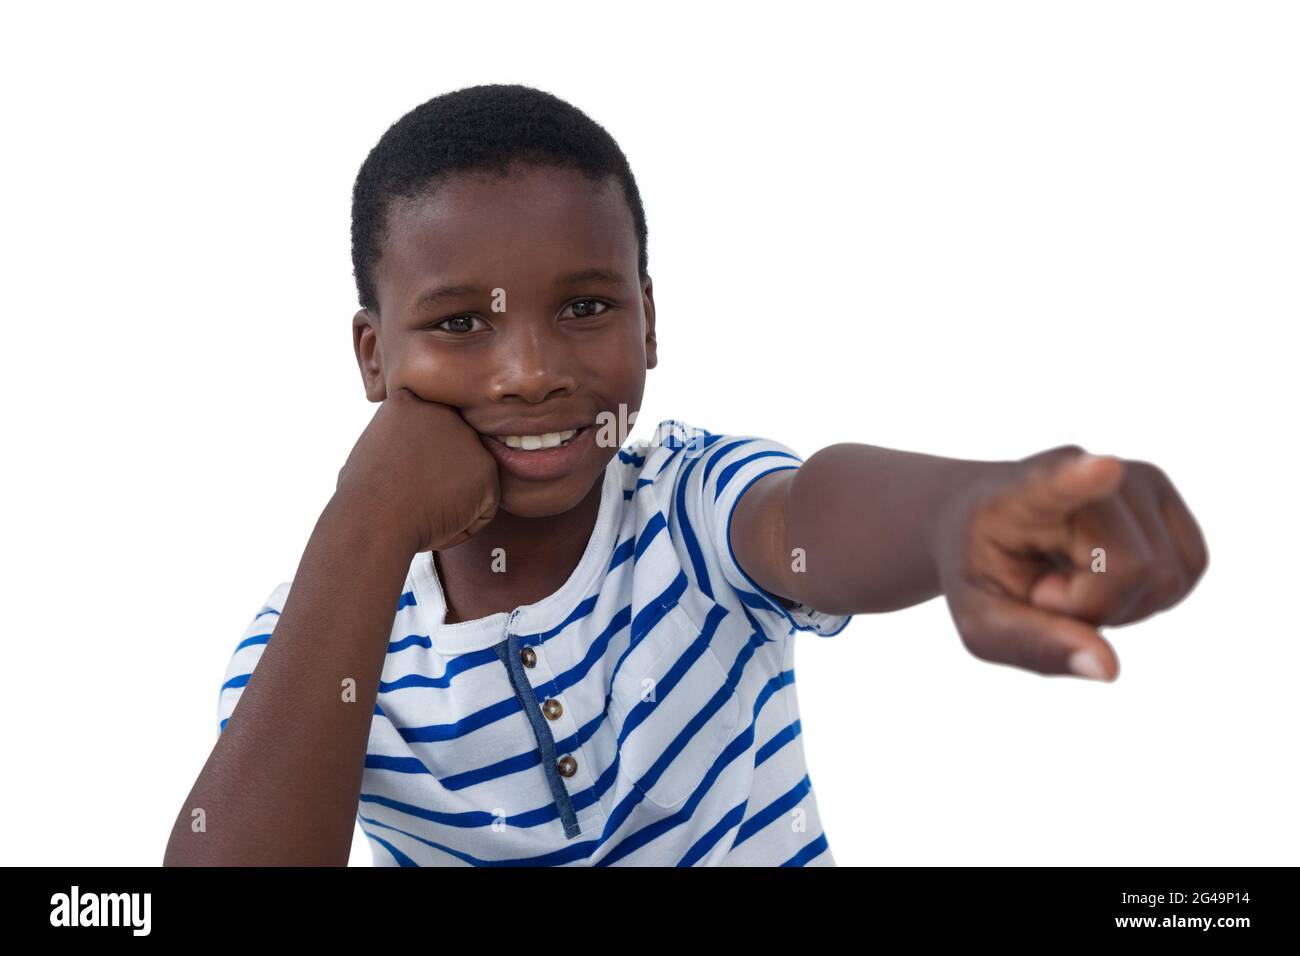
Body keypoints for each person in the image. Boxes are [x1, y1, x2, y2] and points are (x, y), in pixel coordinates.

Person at [163, 83, 1208, 867]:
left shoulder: (687, 509)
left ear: (649, 321)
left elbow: (806, 517)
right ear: (373, 357)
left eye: (584, 307)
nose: (531, 371)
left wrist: (953, 514)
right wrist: (367, 516)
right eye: (459, 322)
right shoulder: (326, 629)